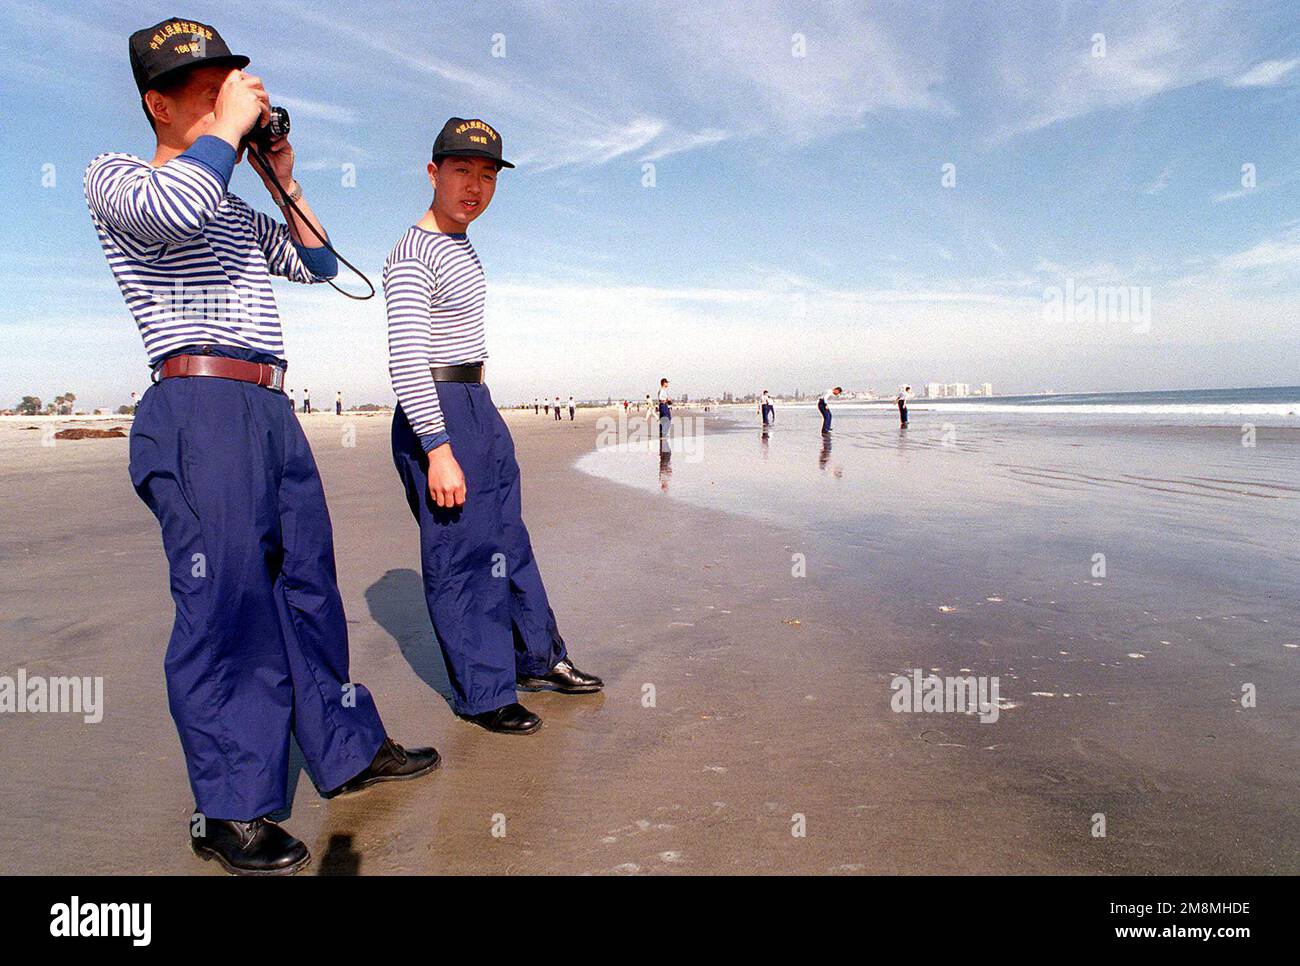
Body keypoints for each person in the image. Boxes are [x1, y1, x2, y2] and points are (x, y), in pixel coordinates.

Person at [85, 17, 437, 876]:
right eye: (204, 88)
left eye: (229, 83)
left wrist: (282, 177)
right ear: (156, 104)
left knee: (308, 588)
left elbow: (318, 263)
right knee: (226, 604)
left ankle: (347, 749)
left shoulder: (232, 202)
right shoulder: (119, 176)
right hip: (196, 406)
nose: (224, 96)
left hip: (270, 409)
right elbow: (175, 211)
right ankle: (230, 809)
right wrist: (229, 135)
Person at [384, 116, 602, 736]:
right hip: (440, 407)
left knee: (510, 540)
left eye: (486, 175)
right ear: (433, 173)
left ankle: (538, 657)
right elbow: (405, 359)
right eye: (461, 171)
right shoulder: (411, 253)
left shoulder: (462, 244)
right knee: (463, 555)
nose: (474, 186)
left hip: (477, 400)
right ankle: (484, 692)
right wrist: (437, 448)